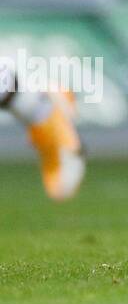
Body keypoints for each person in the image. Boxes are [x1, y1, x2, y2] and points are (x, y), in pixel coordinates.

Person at [0, 62, 84, 201]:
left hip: (48, 119)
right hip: (41, 125)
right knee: (56, 186)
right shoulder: (22, 93)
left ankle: (71, 157)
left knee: (67, 165)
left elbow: (51, 90)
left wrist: (67, 113)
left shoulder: (29, 88)